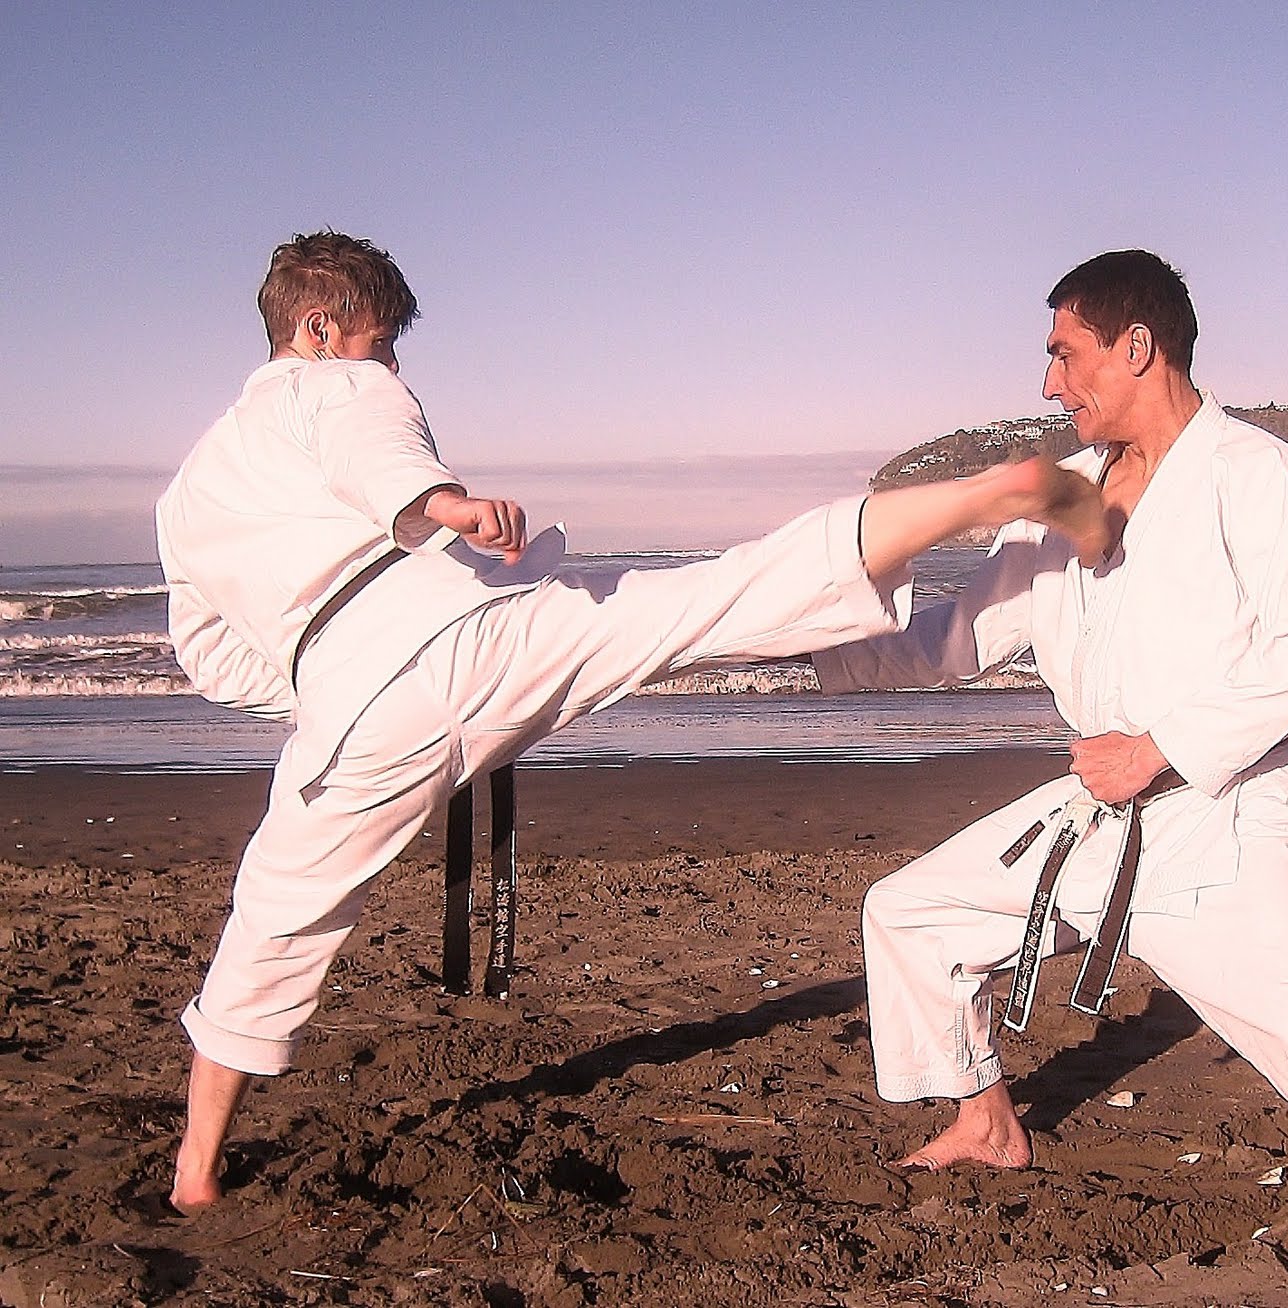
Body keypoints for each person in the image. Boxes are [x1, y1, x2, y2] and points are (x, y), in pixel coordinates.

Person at [155, 230, 1108, 1215]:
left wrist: (322, 693)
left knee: (273, 923)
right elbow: (374, 450)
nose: (391, 363)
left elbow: (213, 655)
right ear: (317, 327)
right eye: (381, 341)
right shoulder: (334, 387)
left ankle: (194, 1170)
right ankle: (991, 494)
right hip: (477, 641)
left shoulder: (187, 495)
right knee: (722, 595)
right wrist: (444, 504)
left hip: (352, 718)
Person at [811, 250, 1288, 1307]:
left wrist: (1161, 747)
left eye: (1064, 354)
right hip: (1101, 802)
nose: (1050, 382)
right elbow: (957, 638)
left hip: (1227, 804)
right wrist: (803, 644)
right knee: (912, 912)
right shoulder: (1066, 497)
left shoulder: (1256, 473)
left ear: (1137, 346)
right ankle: (986, 1119)